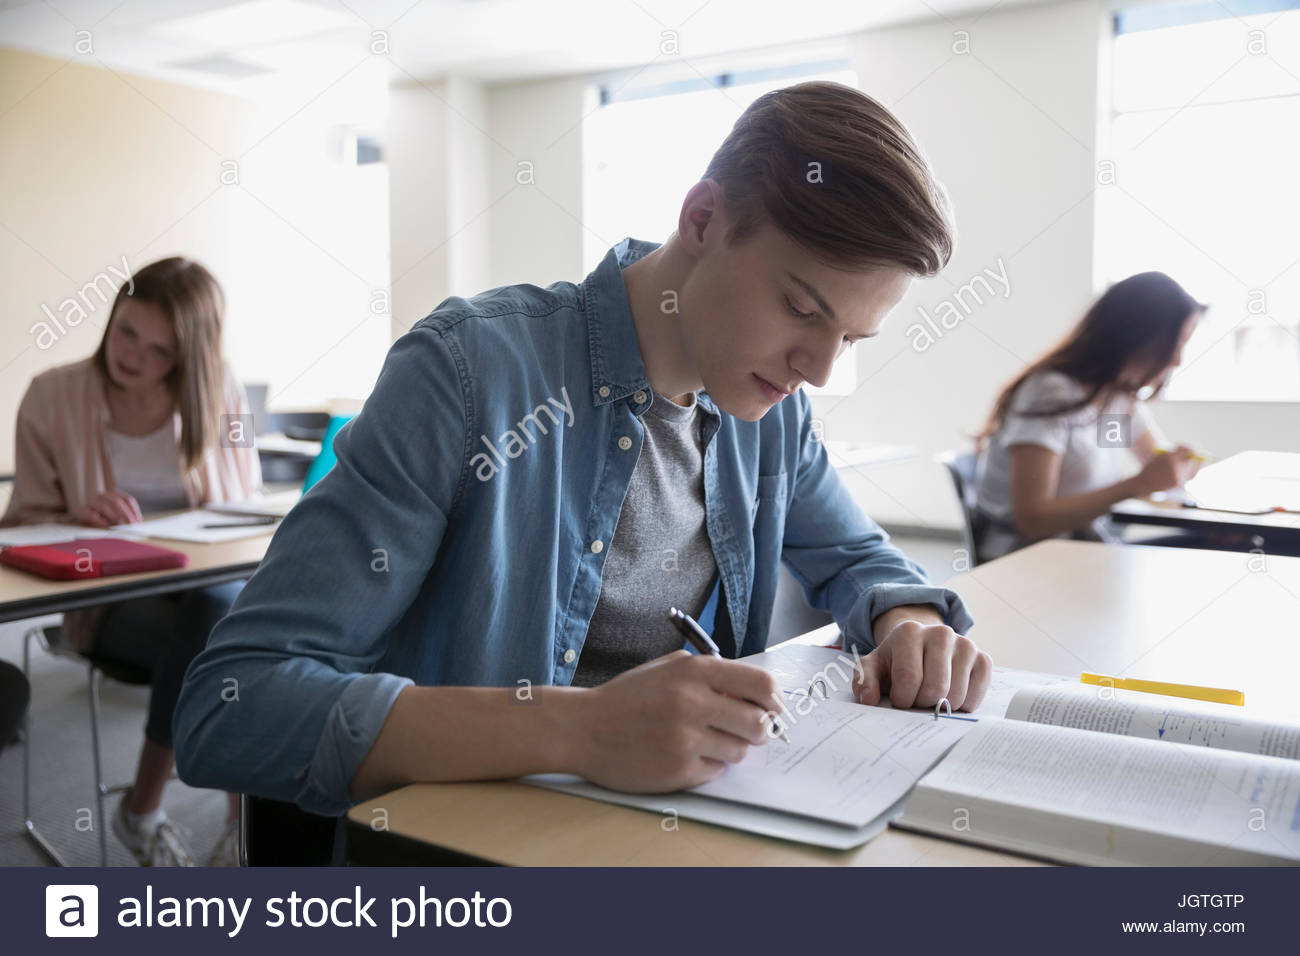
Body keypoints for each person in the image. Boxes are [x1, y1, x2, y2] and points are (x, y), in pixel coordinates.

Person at [174, 82, 993, 826]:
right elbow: (230, 706)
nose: (818, 369)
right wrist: (579, 730)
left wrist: (909, 621)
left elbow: (855, 556)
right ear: (703, 221)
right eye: (801, 309)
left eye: (851, 338)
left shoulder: (772, 413)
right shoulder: (468, 374)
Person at [2, 257, 260, 866]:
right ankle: (234, 819)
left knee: (219, 614)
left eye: (159, 350)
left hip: (204, 598)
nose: (132, 356)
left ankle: (148, 813)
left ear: (189, 357)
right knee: (236, 634)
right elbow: (19, 527)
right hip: (108, 606)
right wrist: (76, 518)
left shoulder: (226, 393)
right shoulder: (50, 395)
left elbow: (247, 497)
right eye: (126, 332)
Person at [973, 271, 1206, 561]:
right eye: (1176, 343)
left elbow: (1155, 464)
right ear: (1139, 336)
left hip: (1085, 548)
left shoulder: (1116, 398)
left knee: (1215, 544)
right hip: (1028, 556)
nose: (1177, 360)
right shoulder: (1052, 392)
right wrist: (1138, 484)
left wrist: (1175, 467)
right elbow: (1031, 520)